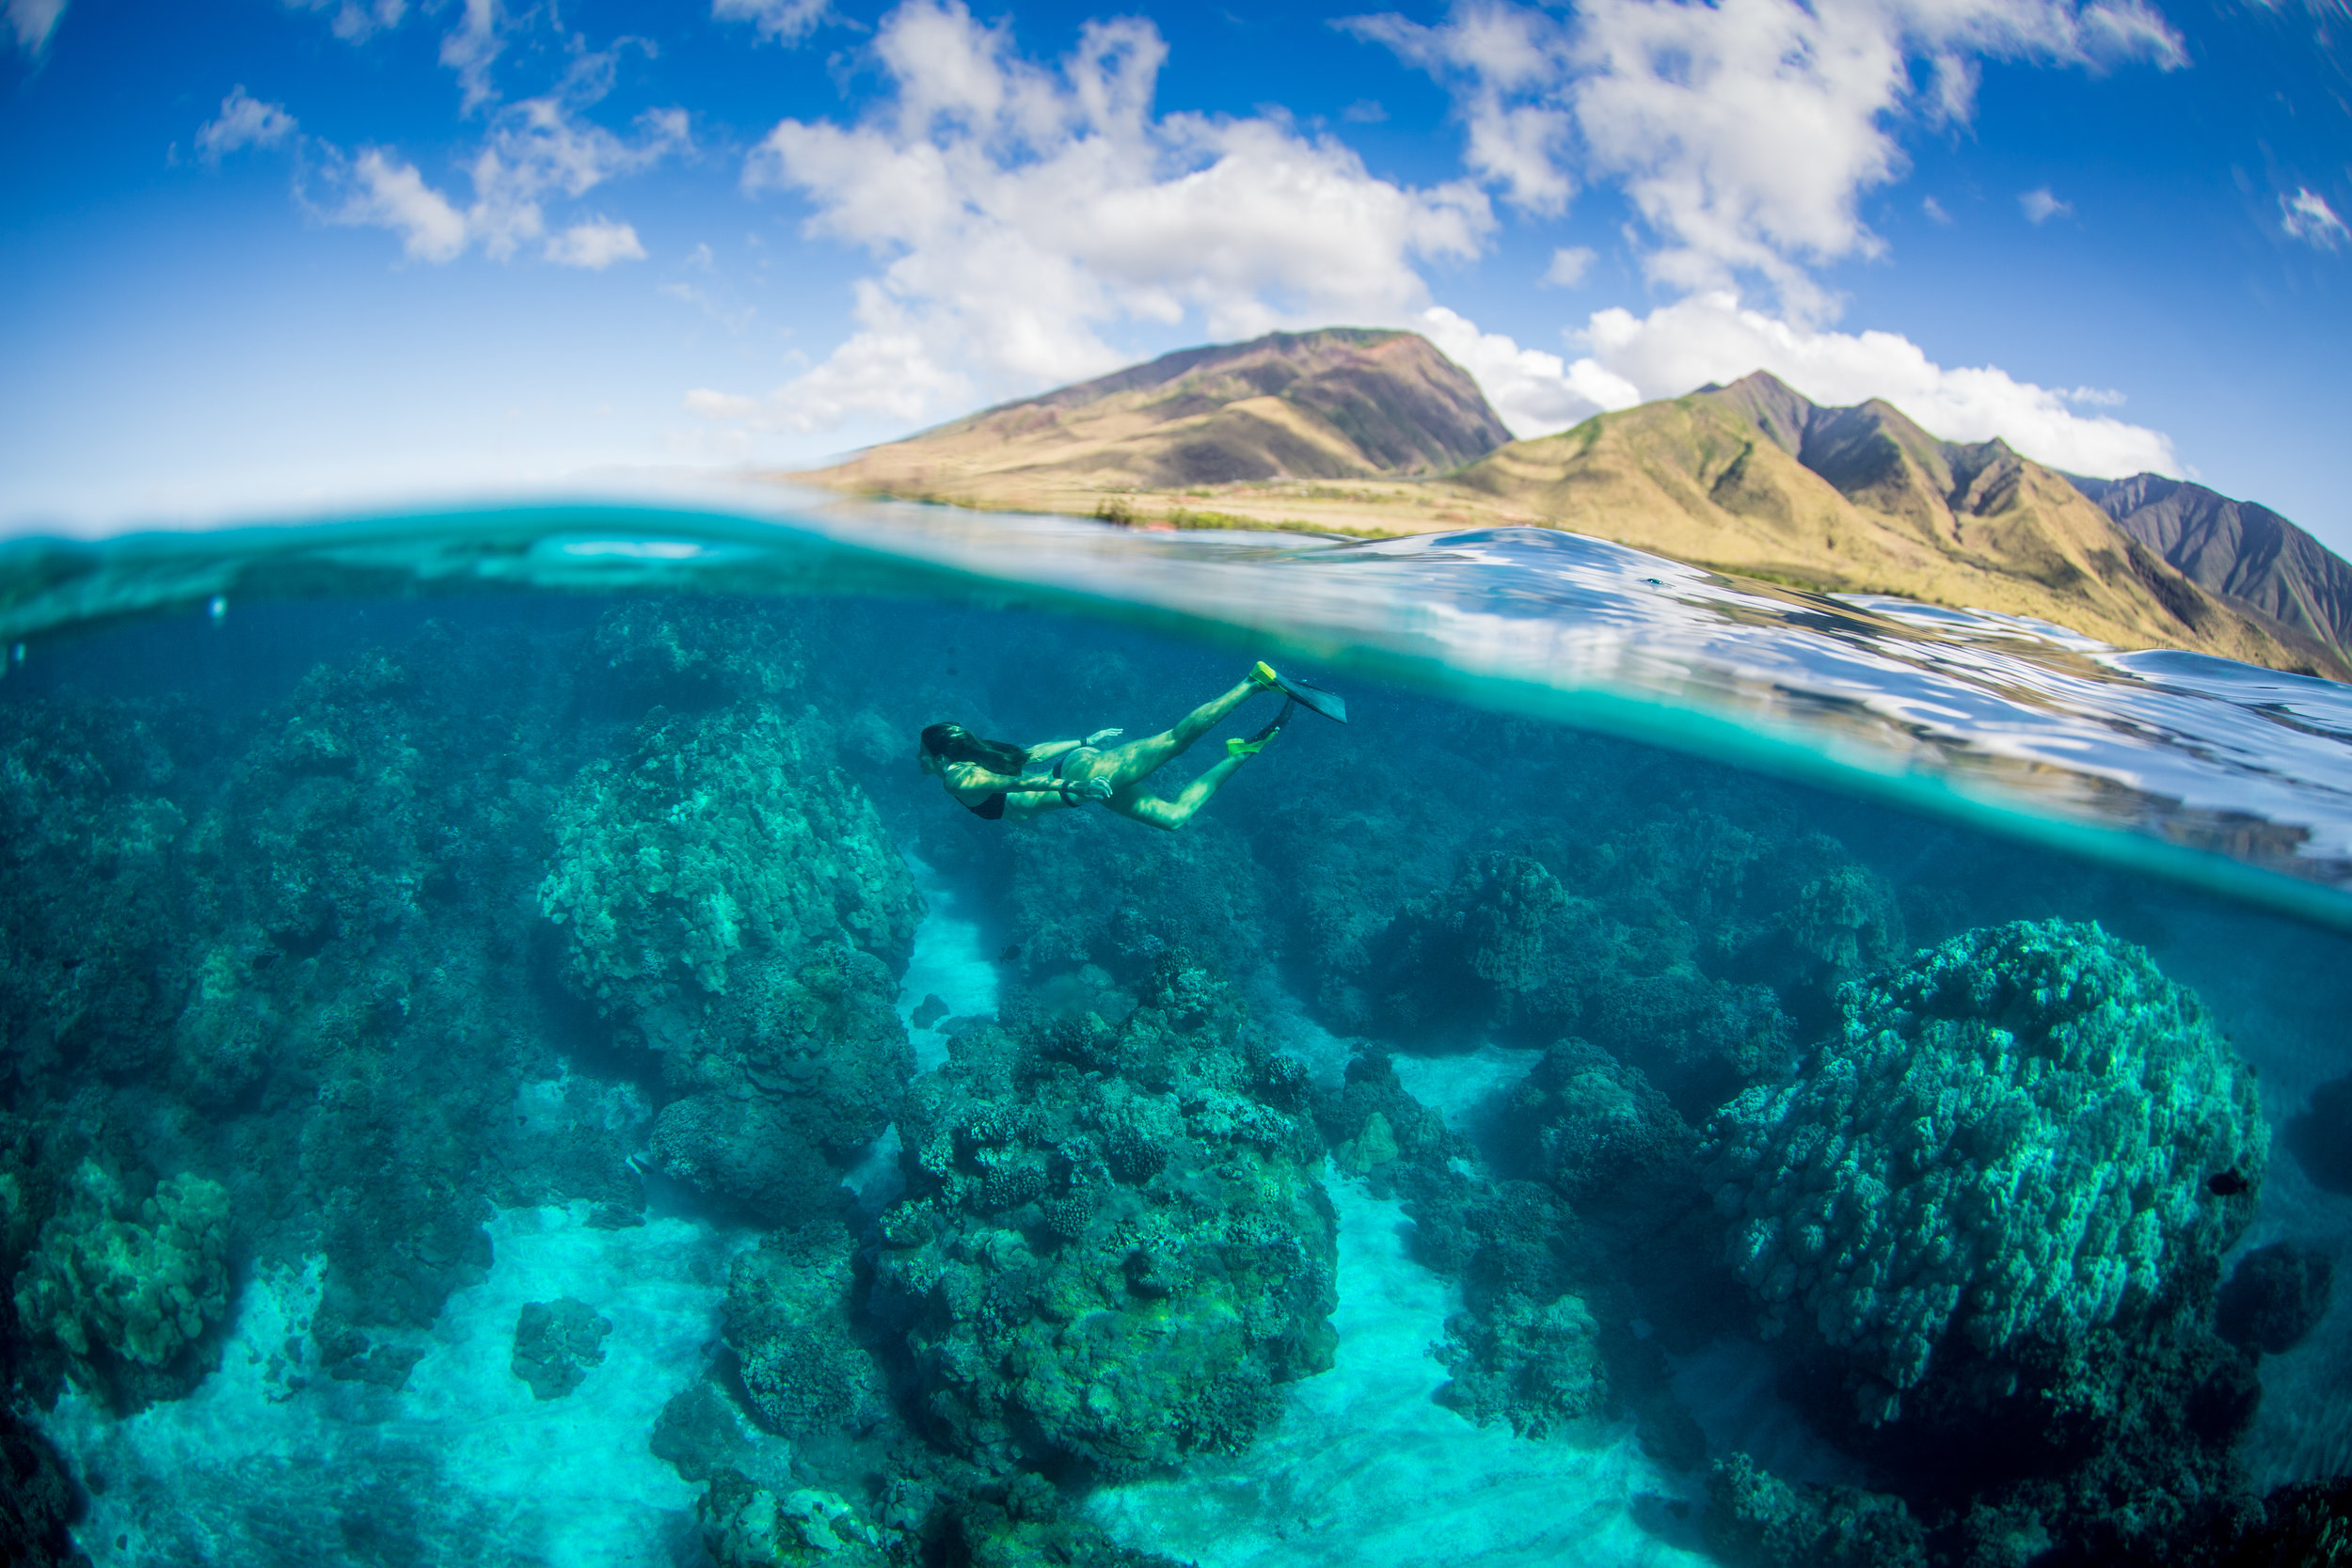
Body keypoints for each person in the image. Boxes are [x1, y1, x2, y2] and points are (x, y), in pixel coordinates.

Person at [920, 661, 1295, 831]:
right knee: (1174, 817)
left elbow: (1016, 784)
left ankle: (1255, 683)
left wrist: (1075, 787)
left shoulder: (956, 779)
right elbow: (1029, 754)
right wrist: (1084, 742)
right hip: (1075, 772)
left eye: (922, 752)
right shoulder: (975, 756)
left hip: (1080, 779)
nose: (918, 759)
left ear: (939, 756)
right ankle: (1242, 752)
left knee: (1174, 742)